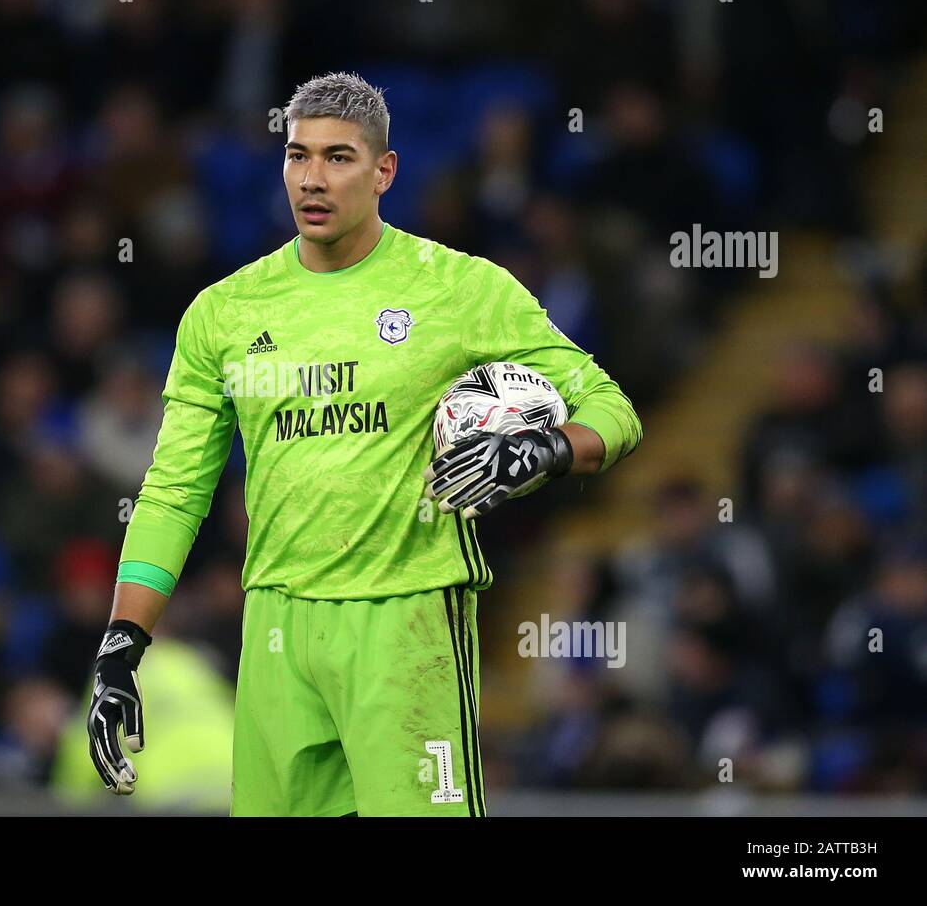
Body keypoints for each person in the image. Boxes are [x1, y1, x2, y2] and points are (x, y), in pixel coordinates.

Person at [87, 72, 643, 816]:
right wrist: (124, 641)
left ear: (384, 171)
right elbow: (174, 491)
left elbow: (612, 408)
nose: (312, 179)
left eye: (339, 158)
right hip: (278, 625)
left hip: (406, 618)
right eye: (297, 155)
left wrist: (545, 450)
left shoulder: (460, 289)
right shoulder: (221, 314)